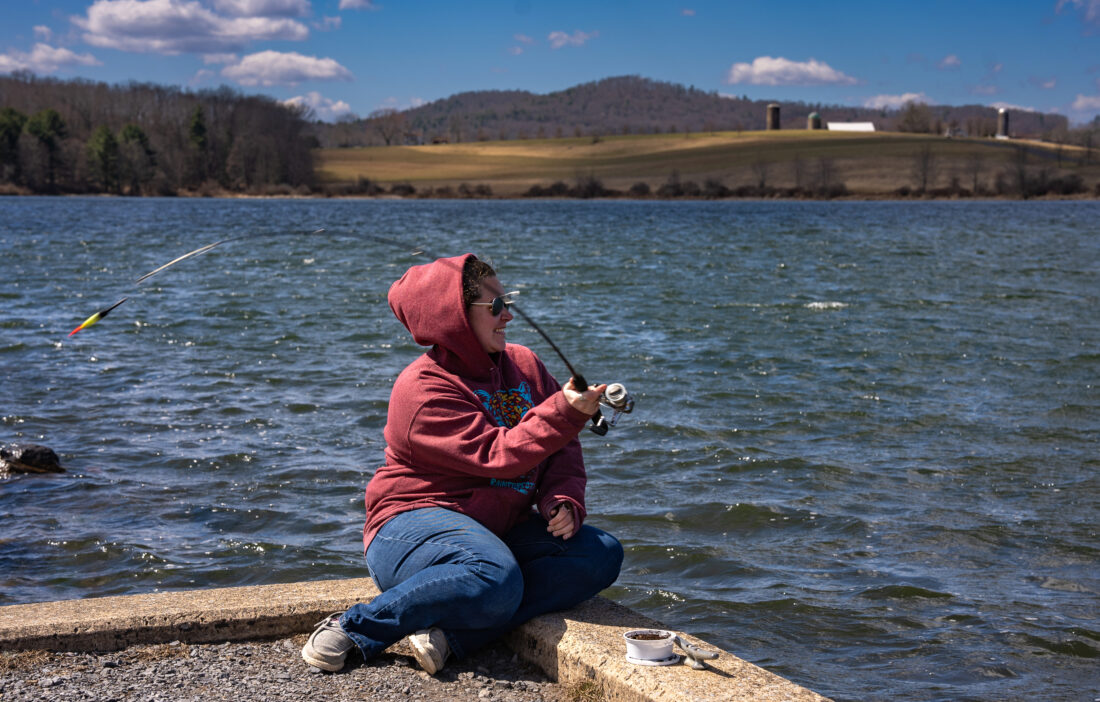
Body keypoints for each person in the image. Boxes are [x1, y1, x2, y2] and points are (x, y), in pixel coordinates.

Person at [301, 253, 624, 674]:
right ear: (452, 317)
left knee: (601, 555)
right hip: (411, 527)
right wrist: (566, 411)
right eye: (494, 307)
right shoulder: (422, 390)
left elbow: (560, 447)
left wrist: (562, 497)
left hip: (493, 532)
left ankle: (452, 636)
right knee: (496, 575)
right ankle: (356, 627)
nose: (508, 315)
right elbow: (499, 455)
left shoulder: (524, 364)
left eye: (508, 301)